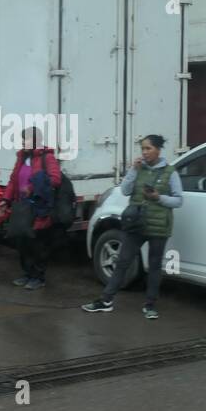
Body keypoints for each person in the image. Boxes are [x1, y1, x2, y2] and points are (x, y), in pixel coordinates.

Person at [84, 134, 183, 320]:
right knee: (122, 261)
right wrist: (133, 170)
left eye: (148, 148)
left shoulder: (171, 172)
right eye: (143, 149)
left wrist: (158, 197)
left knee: (154, 266)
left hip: (159, 226)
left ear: (158, 150)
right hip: (136, 223)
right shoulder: (138, 169)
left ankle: (150, 305)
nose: (145, 153)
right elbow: (125, 190)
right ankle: (106, 300)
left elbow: (178, 201)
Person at [3, 126, 63, 290]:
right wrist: (6, 199)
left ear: (36, 140)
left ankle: (38, 277)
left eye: (26, 139)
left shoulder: (47, 158)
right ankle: (27, 274)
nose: (23, 142)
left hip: (39, 208)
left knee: (38, 244)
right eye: (22, 139)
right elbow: (13, 181)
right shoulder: (21, 158)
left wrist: (34, 187)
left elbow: (56, 179)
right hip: (21, 207)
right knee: (22, 242)